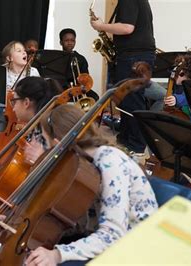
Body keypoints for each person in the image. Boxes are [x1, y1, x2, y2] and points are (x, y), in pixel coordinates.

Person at [24, 104, 158, 266]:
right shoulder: (82, 167)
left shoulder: (110, 161)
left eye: (47, 144)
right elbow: (79, 223)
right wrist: (26, 225)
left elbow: (113, 234)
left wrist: (58, 255)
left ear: (59, 143)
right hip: (104, 244)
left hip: (135, 251)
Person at [0, 76, 60, 208]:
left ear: (26, 102)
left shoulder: (46, 133)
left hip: (35, 201)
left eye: (14, 102)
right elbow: (4, 170)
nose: (12, 109)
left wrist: (40, 160)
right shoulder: (31, 131)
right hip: (19, 195)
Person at [91, 0, 156, 155]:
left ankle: (135, 146)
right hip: (134, 55)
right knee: (126, 101)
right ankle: (127, 140)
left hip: (134, 56)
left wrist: (101, 26)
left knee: (132, 101)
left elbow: (127, 28)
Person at [58, 28, 99, 101]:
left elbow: (86, 78)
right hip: (62, 89)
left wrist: (80, 85)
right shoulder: (57, 58)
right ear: (61, 42)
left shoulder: (81, 59)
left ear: (75, 41)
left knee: (95, 97)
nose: (70, 43)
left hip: (78, 89)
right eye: (67, 40)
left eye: (72, 40)